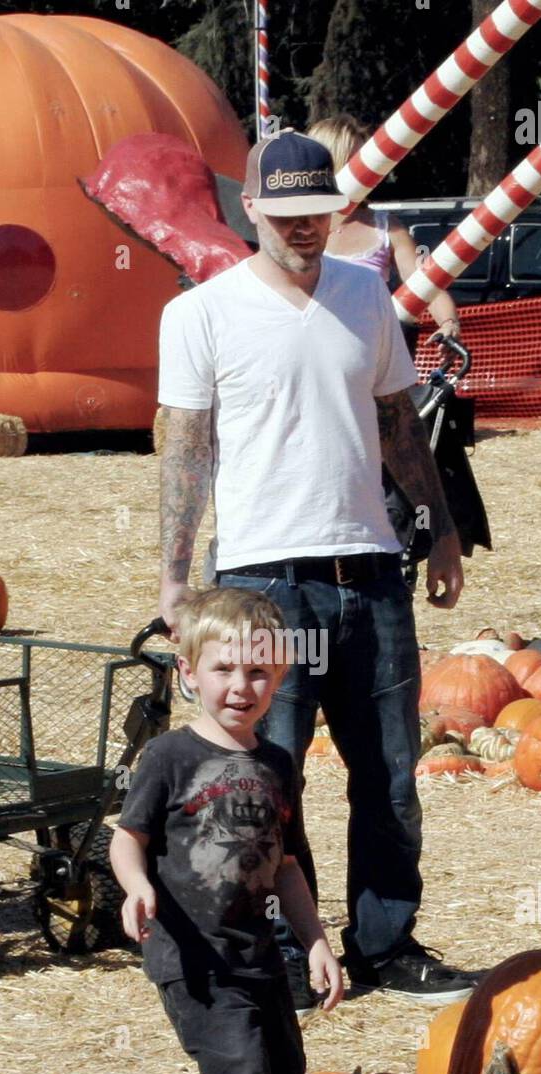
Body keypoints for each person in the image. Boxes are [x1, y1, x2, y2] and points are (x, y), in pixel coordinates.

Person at [156, 127, 478, 1009]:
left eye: (317, 212)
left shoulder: (366, 297)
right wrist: (175, 581)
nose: (302, 227)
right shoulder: (199, 315)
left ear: (337, 209)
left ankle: (386, 943)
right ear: (250, 207)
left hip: (368, 569)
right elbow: (184, 452)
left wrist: (438, 529)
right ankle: (275, 954)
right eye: (285, 212)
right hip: (264, 583)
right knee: (266, 777)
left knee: (388, 772)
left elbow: (397, 422)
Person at [110, 586, 343, 1074]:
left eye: (258, 673)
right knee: (238, 1071)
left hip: (258, 954)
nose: (240, 685)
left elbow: (289, 865)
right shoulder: (168, 758)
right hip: (192, 955)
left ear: (278, 679)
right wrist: (139, 885)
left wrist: (316, 940)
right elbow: (126, 838)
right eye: (224, 669)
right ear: (188, 672)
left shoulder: (277, 765)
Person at [307, 114, 462, 348]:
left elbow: (425, 283)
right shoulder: (297, 225)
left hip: (371, 357)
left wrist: (449, 323)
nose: (368, 173)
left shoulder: (387, 228)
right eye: (355, 164)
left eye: (368, 163)